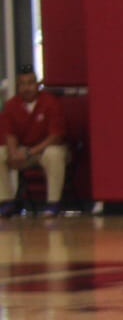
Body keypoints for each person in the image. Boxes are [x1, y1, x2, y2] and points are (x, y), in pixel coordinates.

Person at [1, 68, 69, 218]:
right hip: (24, 151)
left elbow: (56, 137)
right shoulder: (12, 105)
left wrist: (29, 153)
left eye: (30, 83)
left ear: (38, 84)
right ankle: (6, 202)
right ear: (18, 87)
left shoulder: (50, 102)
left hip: (45, 149)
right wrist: (13, 153)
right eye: (23, 84)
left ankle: (53, 204)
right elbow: (9, 134)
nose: (27, 88)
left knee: (54, 154)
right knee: (1, 154)